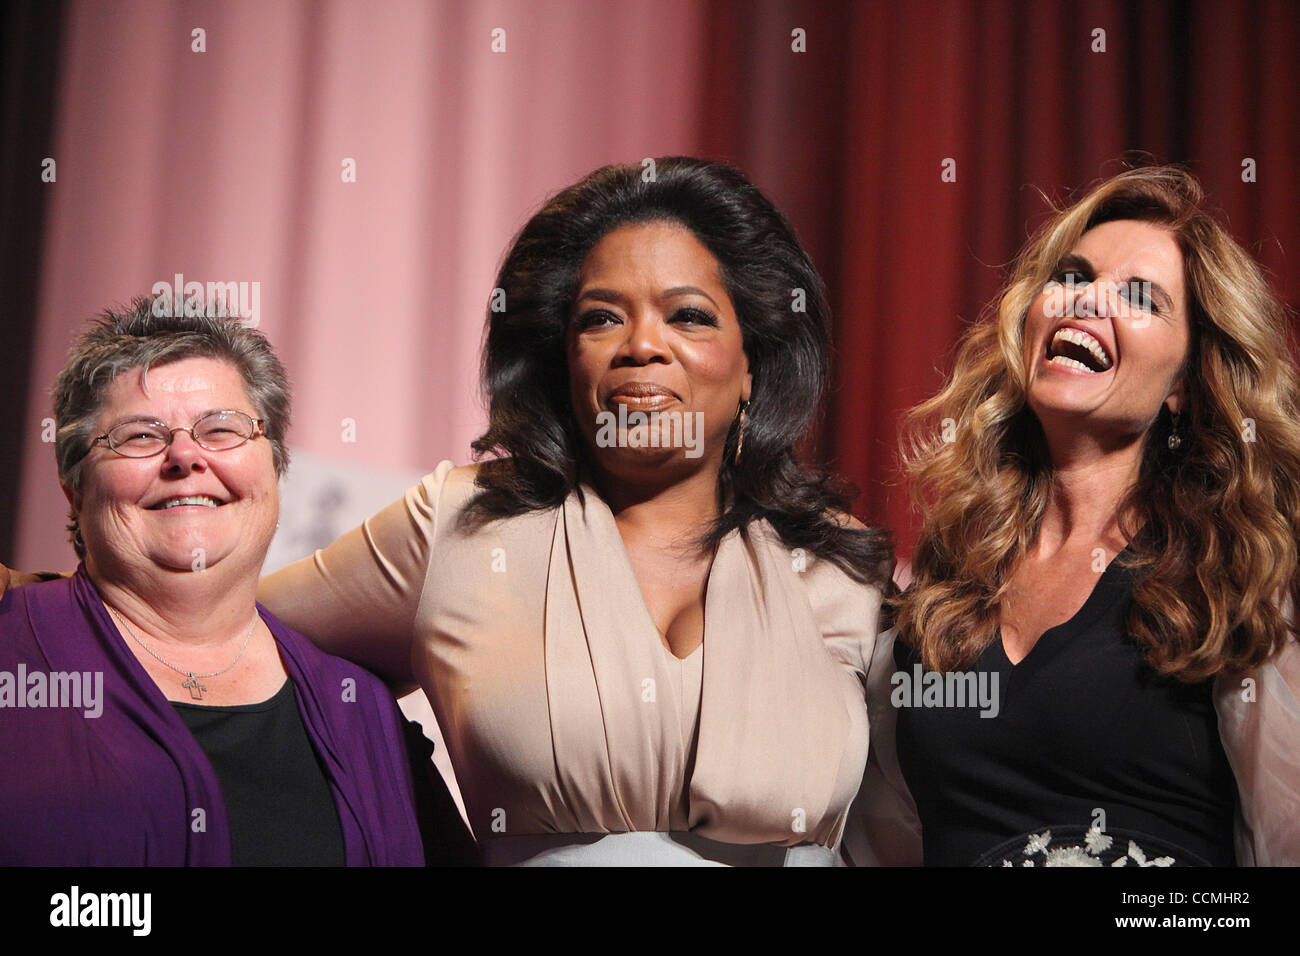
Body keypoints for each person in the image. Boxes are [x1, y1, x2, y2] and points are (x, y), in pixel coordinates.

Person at [259, 157, 896, 865]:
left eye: (688, 315)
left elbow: (909, 830)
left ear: (753, 364)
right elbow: (222, 641)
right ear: (564, 359)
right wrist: (401, 797)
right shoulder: (462, 526)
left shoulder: (843, 567)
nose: (642, 346)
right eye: (601, 318)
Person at [846, 166, 1300, 867]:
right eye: (1071, 275)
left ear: (1183, 384)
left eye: (1140, 296)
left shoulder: (1234, 575)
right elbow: (882, 844)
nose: (1085, 300)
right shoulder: (941, 587)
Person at [0, 302, 424, 865]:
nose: (184, 456)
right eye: (138, 436)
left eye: (221, 429)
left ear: (274, 468)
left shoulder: (361, 710)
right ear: (74, 488)